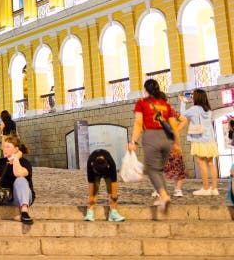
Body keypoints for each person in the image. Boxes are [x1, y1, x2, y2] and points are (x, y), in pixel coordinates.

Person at [128, 78, 181, 209]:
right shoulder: (165, 105)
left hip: (151, 137)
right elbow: (173, 125)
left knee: (152, 170)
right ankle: (162, 197)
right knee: (159, 169)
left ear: (145, 90)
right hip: (167, 139)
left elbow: (139, 123)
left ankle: (164, 196)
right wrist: (176, 144)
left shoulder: (141, 103)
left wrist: (133, 141)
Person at [180, 89, 220, 195]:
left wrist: (183, 101)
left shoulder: (194, 109)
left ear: (197, 97)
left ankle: (206, 189)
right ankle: (214, 188)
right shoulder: (208, 110)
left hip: (199, 139)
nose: (192, 96)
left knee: (201, 163)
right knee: (211, 163)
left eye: (193, 95)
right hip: (210, 140)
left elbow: (182, 114)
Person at [84, 149, 125, 222]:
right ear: (92, 164)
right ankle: (90, 212)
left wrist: (114, 197)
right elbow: (91, 183)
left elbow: (114, 182)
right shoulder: (90, 162)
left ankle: (113, 213)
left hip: (107, 172)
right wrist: (91, 199)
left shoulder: (111, 164)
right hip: (95, 173)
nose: (101, 175)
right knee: (94, 190)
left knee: (112, 192)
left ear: (108, 165)